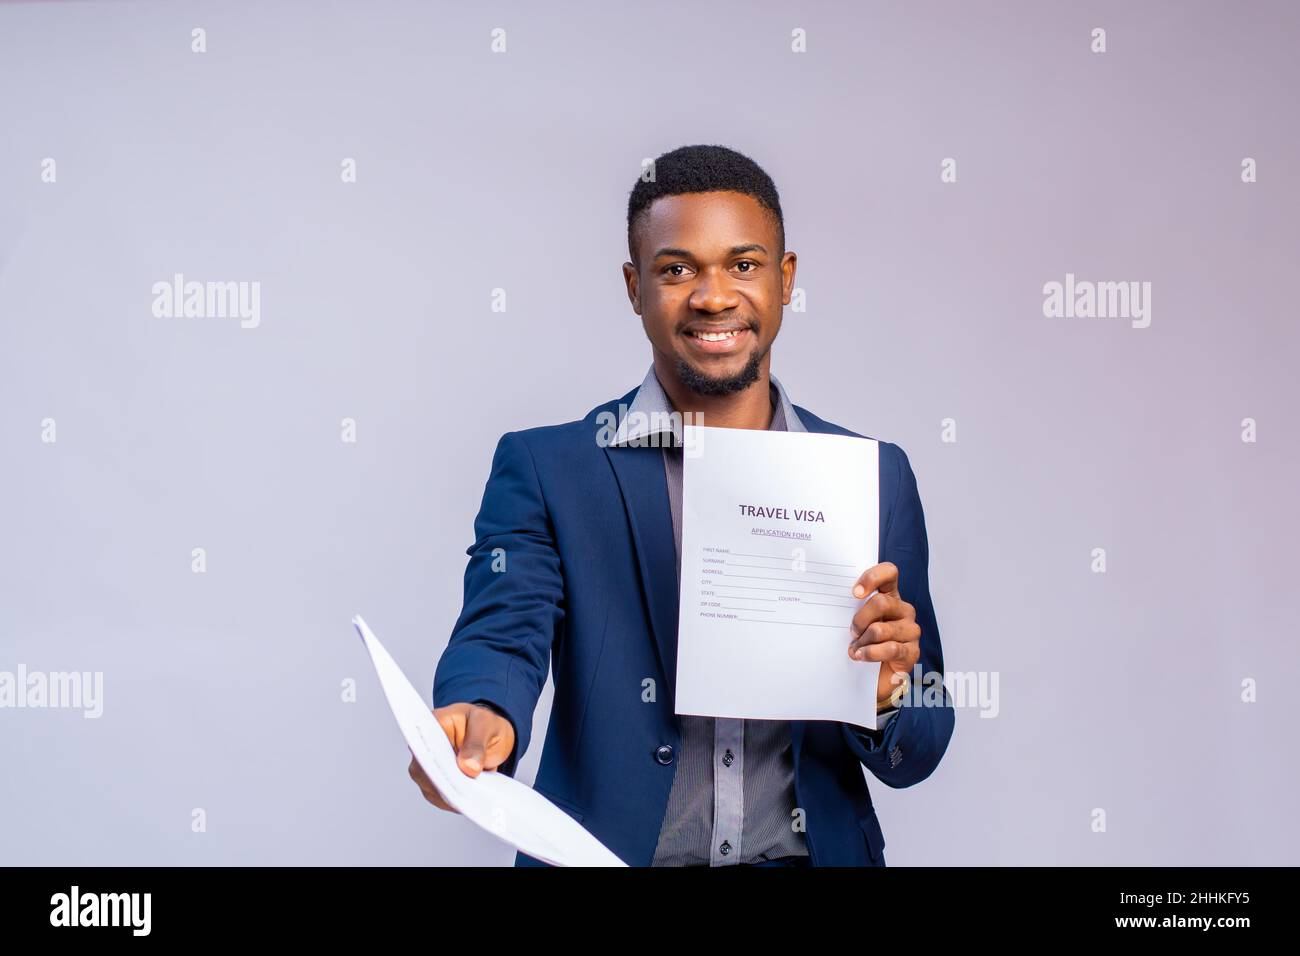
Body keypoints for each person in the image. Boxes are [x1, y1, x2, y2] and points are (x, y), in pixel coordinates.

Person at [409, 144, 955, 866]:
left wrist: (886, 696)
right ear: (635, 287)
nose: (714, 295)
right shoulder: (552, 468)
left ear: (786, 280)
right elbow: (503, 632)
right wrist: (482, 717)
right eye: (677, 269)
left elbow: (917, 746)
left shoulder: (872, 475)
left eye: (744, 264)